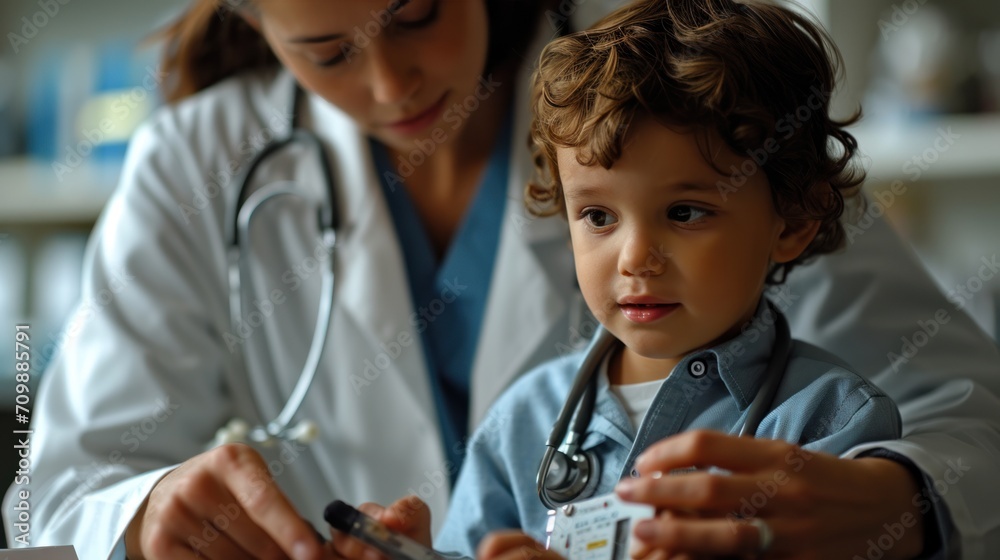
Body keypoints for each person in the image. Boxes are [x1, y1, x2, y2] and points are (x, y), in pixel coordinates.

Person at [2, 0, 998, 558]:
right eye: (323, 49)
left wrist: (900, 504)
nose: (391, 85)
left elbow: (968, 409)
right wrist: (139, 514)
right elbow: (60, 491)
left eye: (417, 14)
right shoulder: (197, 161)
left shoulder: (690, 90)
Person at [326, 0, 905, 558]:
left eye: (685, 212)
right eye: (599, 217)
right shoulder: (524, 419)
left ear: (795, 221)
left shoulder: (829, 422)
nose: (636, 258)